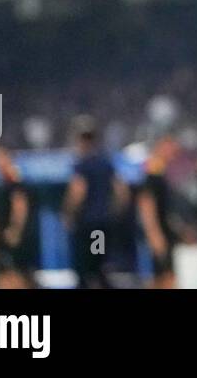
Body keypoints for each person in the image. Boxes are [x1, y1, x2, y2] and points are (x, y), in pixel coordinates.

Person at [62, 115, 129, 289]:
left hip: (88, 226)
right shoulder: (105, 162)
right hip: (102, 226)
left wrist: (68, 213)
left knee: (86, 270)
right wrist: (113, 212)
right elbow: (121, 191)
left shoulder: (83, 164)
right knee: (100, 266)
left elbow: (78, 191)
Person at [0, 146, 36, 288]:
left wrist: (15, 229)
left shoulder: (14, 180)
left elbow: (19, 205)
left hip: (13, 239)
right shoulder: (3, 182)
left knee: (13, 275)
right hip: (9, 239)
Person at [136, 134, 181, 288]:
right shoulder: (153, 172)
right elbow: (146, 203)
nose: (174, 152)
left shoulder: (160, 171)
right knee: (165, 276)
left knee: (162, 275)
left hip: (163, 229)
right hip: (158, 231)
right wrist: (154, 233)